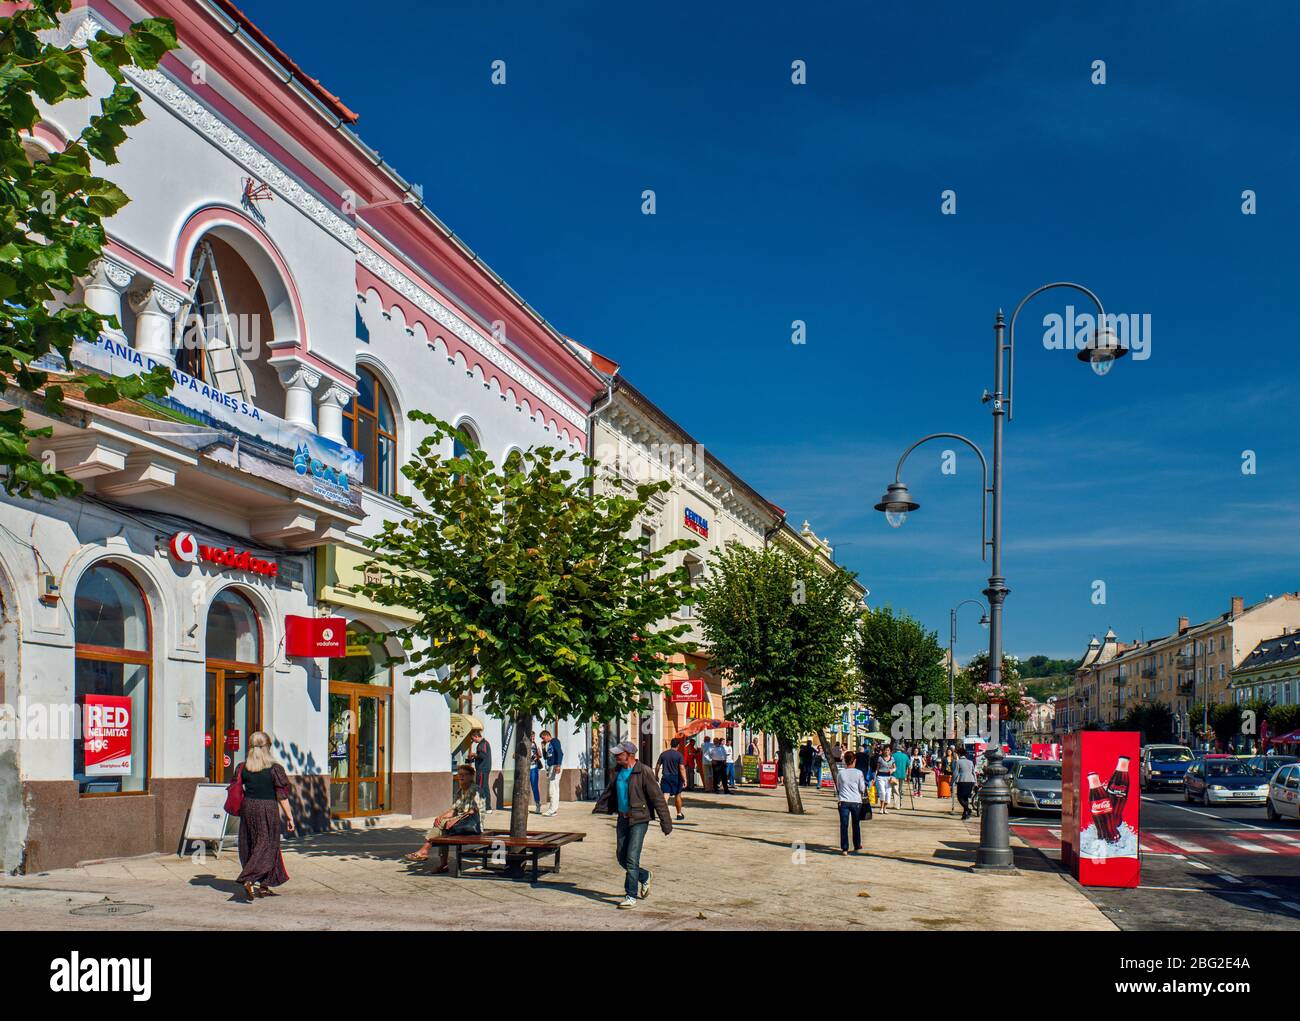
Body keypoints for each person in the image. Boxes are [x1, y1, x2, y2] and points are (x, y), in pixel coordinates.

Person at [592, 740, 673, 909]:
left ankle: (630, 895)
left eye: (618, 754)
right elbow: (611, 793)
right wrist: (602, 806)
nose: (615, 757)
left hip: (639, 819)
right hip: (622, 818)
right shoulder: (617, 771)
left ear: (629, 755)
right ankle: (644, 876)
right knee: (621, 857)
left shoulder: (644, 771)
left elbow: (657, 798)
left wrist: (666, 822)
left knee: (631, 858)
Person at [233, 731, 295, 901]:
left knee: (252, 843)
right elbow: (282, 796)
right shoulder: (275, 769)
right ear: (268, 747)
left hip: (249, 807)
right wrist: (290, 817)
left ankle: (264, 885)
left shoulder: (242, 767)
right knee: (268, 845)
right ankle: (249, 878)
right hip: (267, 808)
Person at [406, 764, 485, 870]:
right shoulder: (460, 792)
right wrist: (440, 817)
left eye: (464, 775)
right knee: (441, 825)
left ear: (471, 776)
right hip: (461, 823)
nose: (461, 777)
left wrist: (455, 820)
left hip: (473, 824)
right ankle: (442, 864)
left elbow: (472, 811)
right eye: (459, 774)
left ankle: (425, 850)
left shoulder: (476, 790)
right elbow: (454, 810)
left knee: (444, 826)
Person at [835, 750, 867, 854]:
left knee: (844, 824)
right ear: (855, 761)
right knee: (855, 824)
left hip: (844, 800)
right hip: (856, 801)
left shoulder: (841, 773)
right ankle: (857, 845)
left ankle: (845, 848)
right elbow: (862, 788)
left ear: (845, 760)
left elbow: (838, 787)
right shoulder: (859, 773)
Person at [656, 737, 687, 820]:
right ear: (678, 745)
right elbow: (682, 768)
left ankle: (664, 815)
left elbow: (657, 766)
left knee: (665, 796)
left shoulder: (663, 754)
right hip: (676, 777)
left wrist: (656, 775)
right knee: (678, 796)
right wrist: (685, 779)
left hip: (666, 776)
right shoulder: (679, 755)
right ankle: (679, 814)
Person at [540, 728, 563, 816]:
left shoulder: (555, 741)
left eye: (543, 738)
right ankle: (554, 809)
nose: (543, 740)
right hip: (551, 766)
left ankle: (552, 810)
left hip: (555, 765)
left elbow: (560, 753)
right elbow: (546, 757)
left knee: (552, 788)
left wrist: (558, 765)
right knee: (554, 788)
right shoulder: (548, 744)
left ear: (547, 735)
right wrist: (542, 747)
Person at [469, 728, 492, 813]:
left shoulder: (483, 744)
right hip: (483, 769)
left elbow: (482, 756)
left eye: (472, 738)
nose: (473, 740)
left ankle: (485, 807)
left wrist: (474, 754)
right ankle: (487, 807)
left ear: (476, 736)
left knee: (481, 788)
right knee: (484, 787)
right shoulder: (484, 743)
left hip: (482, 769)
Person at [954, 751, 977, 820]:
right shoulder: (970, 762)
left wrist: (952, 782)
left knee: (960, 797)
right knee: (966, 798)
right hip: (971, 781)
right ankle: (965, 814)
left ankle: (968, 809)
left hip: (962, 781)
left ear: (959, 754)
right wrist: (975, 782)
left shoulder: (958, 762)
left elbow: (955, 773)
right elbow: (973, 773)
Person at [875, 744, 895, 814]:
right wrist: (875, 778)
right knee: (882, 792)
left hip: (888, 778)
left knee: (888, 793)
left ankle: (885, 808)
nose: (887, 751)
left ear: (890, 751)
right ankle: (881, 808)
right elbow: (877, 769)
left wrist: (893, 770)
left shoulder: (892, 758)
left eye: (888, 750)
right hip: (880, 777)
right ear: (883, 751)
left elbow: (895, 767)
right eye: (885, 750)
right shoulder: (880, 758)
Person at [891, 743, 910, 807]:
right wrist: (909, 775)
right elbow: (909, 766)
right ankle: (898, 803)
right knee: (899, 789)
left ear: (895, 749)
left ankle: (897, 804)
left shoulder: (892, 756)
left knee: (895, 790)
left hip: (894, 774)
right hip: (902, 775)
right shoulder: (905, 756)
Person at [528, 731, 542, 813]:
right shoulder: (524, 744)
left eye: (534, 737)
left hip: (534, 768)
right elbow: (514, 755)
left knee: (534, 787)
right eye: (532, 737)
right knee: (524, 788)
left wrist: (537, 756)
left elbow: (540, 755)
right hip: (525, 769)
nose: (533, 738)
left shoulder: (535, 745)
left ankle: (537, 804)